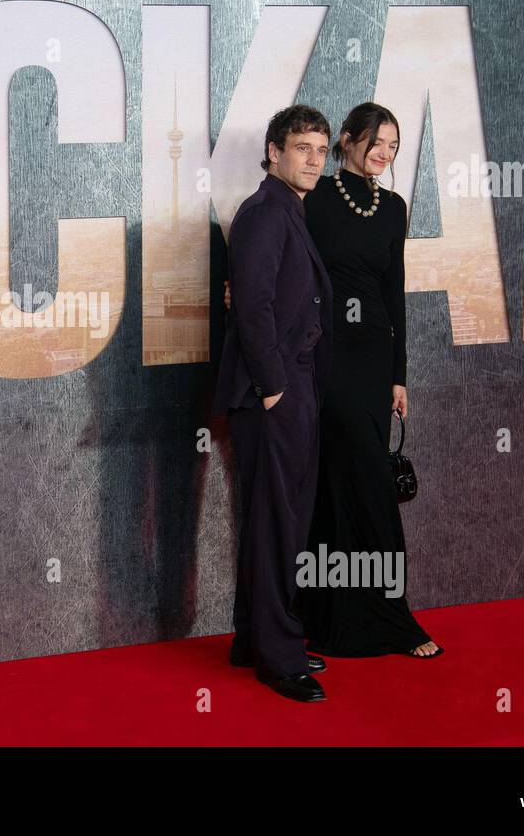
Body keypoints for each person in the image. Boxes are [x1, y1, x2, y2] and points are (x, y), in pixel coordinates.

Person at [298, 102, 441, 659]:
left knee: (363, 479)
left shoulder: (394, 208)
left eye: (394, 147)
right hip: (325, 358)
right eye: (376, 143)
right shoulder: (315, 198)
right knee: (345, 482)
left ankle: (377, 616)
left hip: (373, 359)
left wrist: (398, 375)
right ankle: (340, 617)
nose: (384, 154)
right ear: (348, 141)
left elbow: (393, 293)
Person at [212, 105, 334, 703]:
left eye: (321, 149)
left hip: (294, 384)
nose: (313, 160)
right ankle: (279, 658)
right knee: (275, 522)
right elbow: (253, 308)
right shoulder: (264, 213)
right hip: (273, 391)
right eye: (302, 148)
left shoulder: (289, 209)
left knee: (280, 520)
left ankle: (255, 640)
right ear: (273, 151)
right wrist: (274, 388)